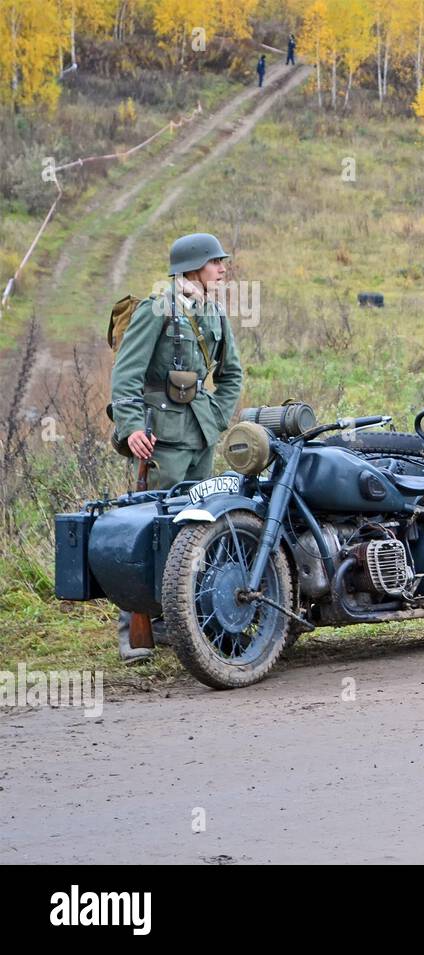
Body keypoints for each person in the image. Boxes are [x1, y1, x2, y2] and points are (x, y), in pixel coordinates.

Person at [109, 233, 245, 661]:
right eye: (215, 263)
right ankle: (132, 628)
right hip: (160, 437)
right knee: (149, 529)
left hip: (200, 434)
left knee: (197, 527)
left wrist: (218, 416)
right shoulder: (156, 309)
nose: (222, 269)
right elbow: (126, 375)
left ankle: (183, 619)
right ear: (192, 266)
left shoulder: (213, 312)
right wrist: (131, 427)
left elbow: (232, 374)